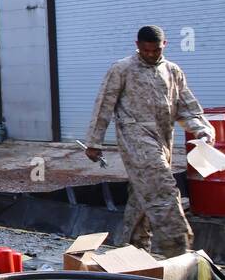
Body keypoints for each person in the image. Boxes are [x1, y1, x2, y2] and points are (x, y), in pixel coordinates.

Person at [84, 25, 214, 255]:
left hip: (163, 139)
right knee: (163, 189)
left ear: (164, 45)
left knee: (142, 194)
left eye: (156, 50)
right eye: (146, 50)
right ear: (137, 46)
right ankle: (179, 250)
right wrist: (95, 142)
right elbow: (104, 104)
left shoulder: (173, 71)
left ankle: (131, 251)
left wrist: (202, 130)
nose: (151, 55)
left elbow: (187, 108)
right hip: (135, 139)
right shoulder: (122, 69)